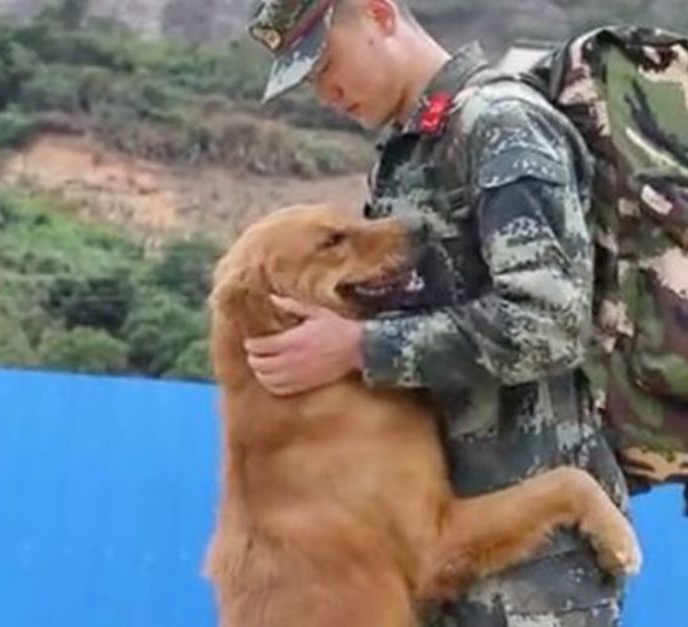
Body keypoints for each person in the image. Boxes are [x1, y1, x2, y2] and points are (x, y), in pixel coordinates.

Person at [242, 0, 631, 625]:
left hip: (531, 564)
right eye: (307, 80)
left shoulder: (500, 124)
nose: (325, 91)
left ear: (379, 14)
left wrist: (359, 349)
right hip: (437, 545)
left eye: (325, 63)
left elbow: (549, 323)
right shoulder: (406, 156)